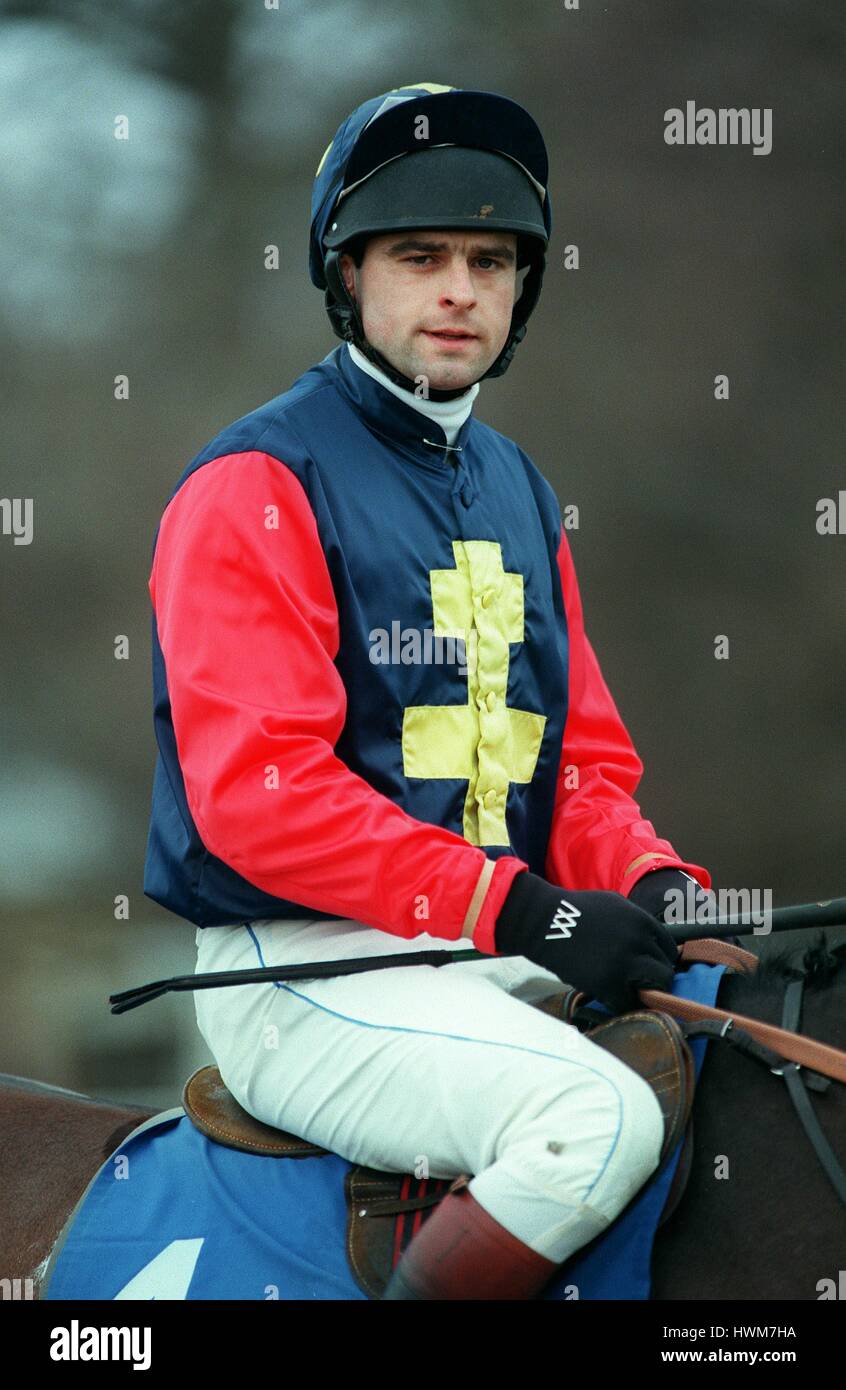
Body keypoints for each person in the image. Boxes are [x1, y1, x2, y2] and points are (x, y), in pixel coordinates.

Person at [143, 82, 714, 1299]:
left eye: (492, 260)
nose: (461, 287)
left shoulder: (516, 487)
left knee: (739, 1030)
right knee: (592, 1120)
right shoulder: (253, 479)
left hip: (474, 950)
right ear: (347, 276)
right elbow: (261, 796)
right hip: (295, 969)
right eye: (420, 255)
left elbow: (579, 772)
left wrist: (650, 880)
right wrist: (525, 911)